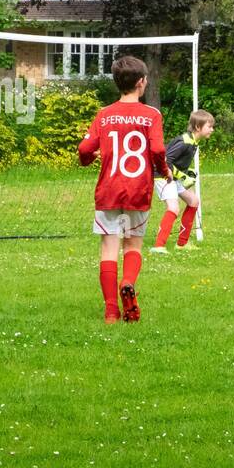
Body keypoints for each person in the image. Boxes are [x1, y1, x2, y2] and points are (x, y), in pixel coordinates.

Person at [78, 56, 167, 323]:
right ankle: (127, 282)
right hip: (138, 190)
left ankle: (110, 311)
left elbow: (84, 149)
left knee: (108, 247)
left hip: (109, 191)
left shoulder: (104, 115)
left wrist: (87, 158)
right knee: (133, 244)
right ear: (141, 83)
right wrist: (164, 170)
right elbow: (159, 149)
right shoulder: (152, 115)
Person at [150, 109, 214, 254]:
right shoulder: (184, 142)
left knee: (193, 201)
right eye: (209, 126)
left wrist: (186, 173)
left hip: (174, 176)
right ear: (198, 127)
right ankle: (158, 246)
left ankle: (182, 243)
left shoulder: (193, 141)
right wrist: (182, 176)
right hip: (163, 176)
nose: (212, 129)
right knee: (173, 208)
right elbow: (166, 161)